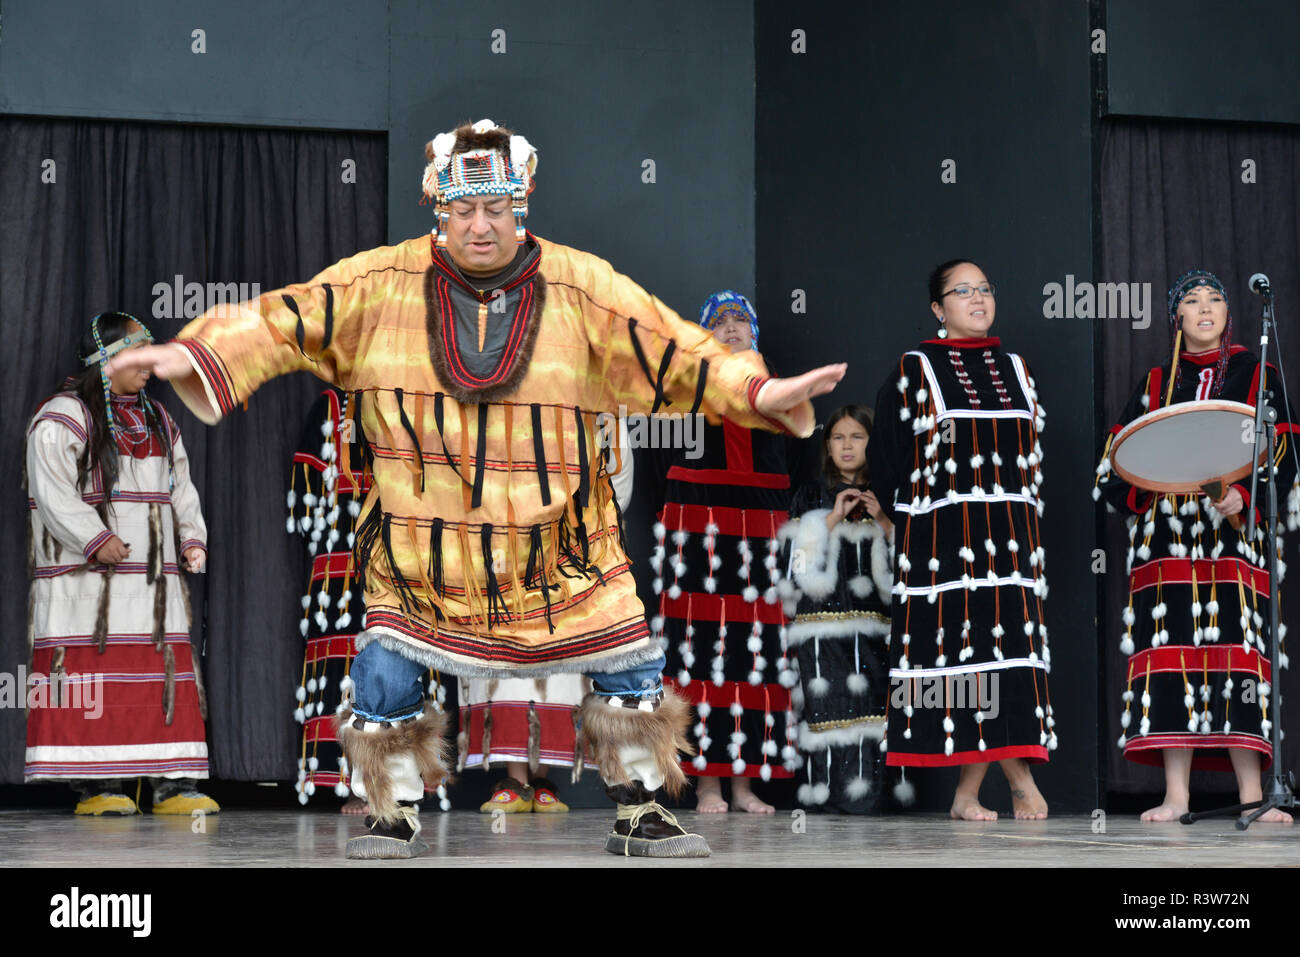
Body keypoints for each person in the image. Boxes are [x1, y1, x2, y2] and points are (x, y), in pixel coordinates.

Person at [108, 119, 843, 858]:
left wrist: (761, 390)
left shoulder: (582, 285)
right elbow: (287, 318)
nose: (481, 224)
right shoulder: (381, 282)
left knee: (629, 658)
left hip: (564, 545)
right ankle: (391, 811)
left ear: (520, 209)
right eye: (465, 210)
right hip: (424, 546)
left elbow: (675, 351)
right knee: (385, 669)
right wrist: (193, 350)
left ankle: (642, 810)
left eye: (495, 209)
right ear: (441, 211)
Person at [1094, 268, 1298, 823]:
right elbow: (1114, 468)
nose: (1205, 307)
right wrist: (1159, 487)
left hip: (1234, 543)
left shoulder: (1260, 375)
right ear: (1176, 319)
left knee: (1238, 656)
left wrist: (1244, 499)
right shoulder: (1156, 384)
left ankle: (1256, 797)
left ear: (1229, 317)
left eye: (1215, 299)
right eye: (1191, 300)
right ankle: (1176, 796)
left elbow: (1285, 459)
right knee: (1170, 656)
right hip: (1168, 543)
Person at [867, 260, 1054, 821]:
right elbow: (887, 459)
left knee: (1005, 657)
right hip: (944, 547)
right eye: (963, 291)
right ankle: (1020, 782)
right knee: (964, 661)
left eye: (985, 289)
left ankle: (968, 794)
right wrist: (911, 526)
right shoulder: (915, 367)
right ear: (937, 307)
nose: (978, 299)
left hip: (1012, 544)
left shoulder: (1016, 367)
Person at [24, 312, 218, 816]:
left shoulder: (158, 419)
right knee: (95, 678)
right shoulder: (63, 416)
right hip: (88, 585)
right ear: (105, 359)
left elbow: (182, 484)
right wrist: (95, 538)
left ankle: (175, 786)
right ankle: (98, 786)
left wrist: (191, 536)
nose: (151, 366)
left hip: (152, 584)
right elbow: (51, 491)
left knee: (163, 676)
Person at [653, 291, 797, 814]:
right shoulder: (683, 388)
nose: (732, 327)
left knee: (752, 657)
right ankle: (705, 784)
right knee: (701, 656)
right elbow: (659, 465)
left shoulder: (779, 391)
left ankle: (744, 783)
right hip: (700, 536)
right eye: (720, 320)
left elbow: (796, 464)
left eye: (741, 320)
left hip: (760, 534)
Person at [778, 404, 901, 812]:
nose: (846, 446)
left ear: (872, 442)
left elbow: (913, 569)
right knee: (826, 711)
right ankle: (828, 799)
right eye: (838, 437)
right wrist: (829, 520)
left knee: (871, 710)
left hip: (873, 633)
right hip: (820, 636)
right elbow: (793, 568)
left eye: (857, 437)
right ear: (827, 445)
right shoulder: (809, 496)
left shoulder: (890, 496)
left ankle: (869, 800)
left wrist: (884, 520)